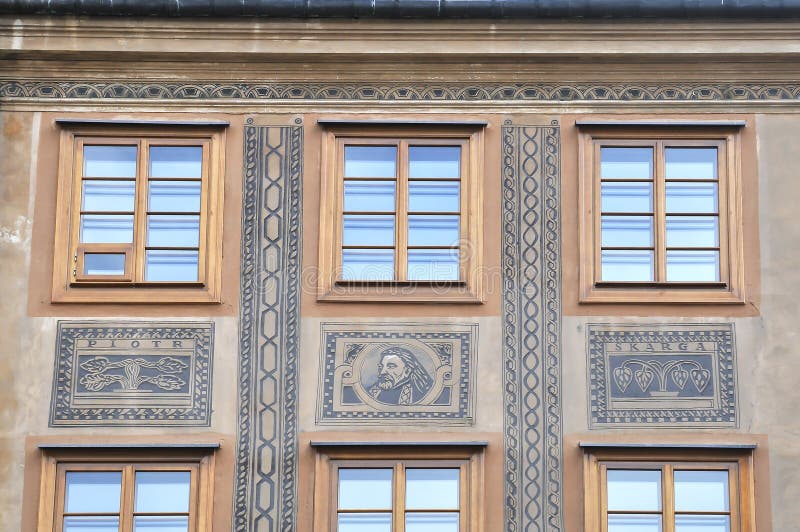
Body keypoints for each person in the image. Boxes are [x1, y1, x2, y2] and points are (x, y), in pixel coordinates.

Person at [368, 346, 433, 405]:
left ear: (407, 371)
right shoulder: (371, 392)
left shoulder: (421, 394)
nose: (382, 372)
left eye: (391, 366)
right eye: (380, 367)